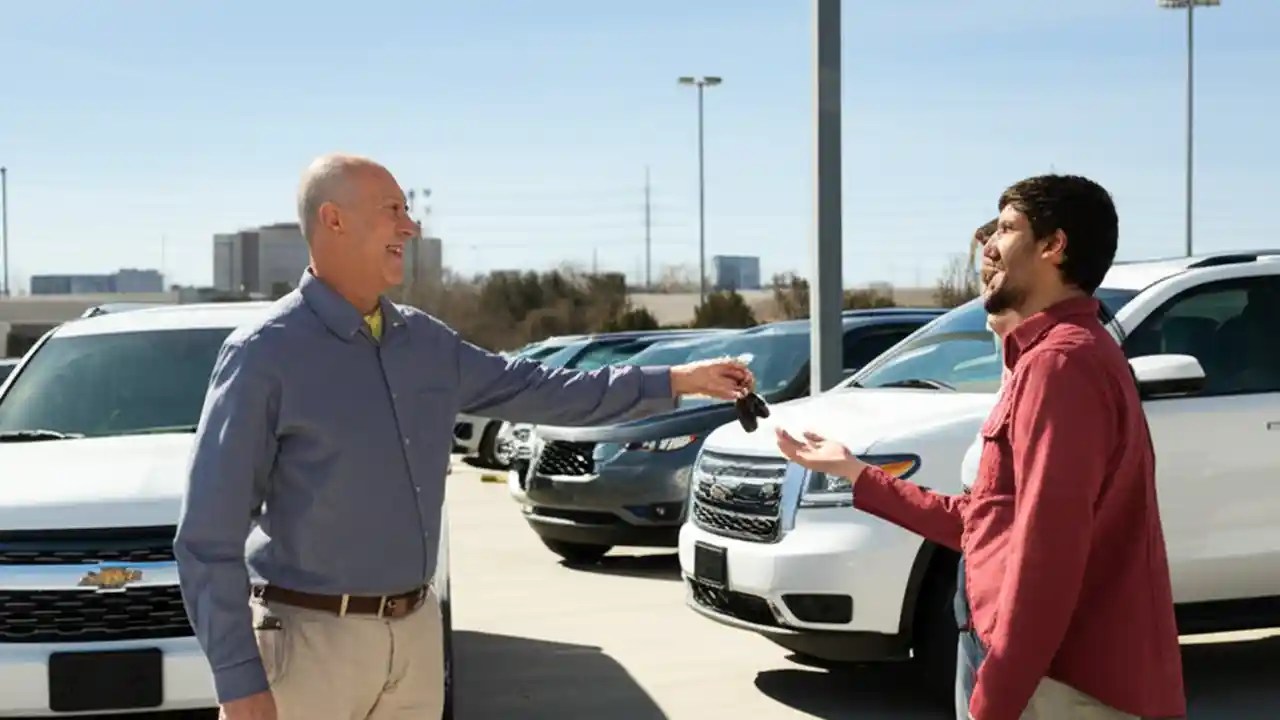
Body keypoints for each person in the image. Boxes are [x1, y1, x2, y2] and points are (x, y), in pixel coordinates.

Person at [174, 153, 757, 720]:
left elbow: (546, 388)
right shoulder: (263, 355)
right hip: (308, 651)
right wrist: (237, 679)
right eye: (392, 209)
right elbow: (207, 536)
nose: (411, 224)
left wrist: (677, 380)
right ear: (333, 219)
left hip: (417, 640)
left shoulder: (427, 344)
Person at [777, 175, 1185, 720]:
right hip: (1016, 661)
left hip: (1057, 684)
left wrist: (995, 697)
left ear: (1053, 245)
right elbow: (987, 523)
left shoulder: (1060, 365)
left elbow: (1048, 556)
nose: (987, 246)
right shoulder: (1044, 360)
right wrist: (854, 473)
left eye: (1007, 228)